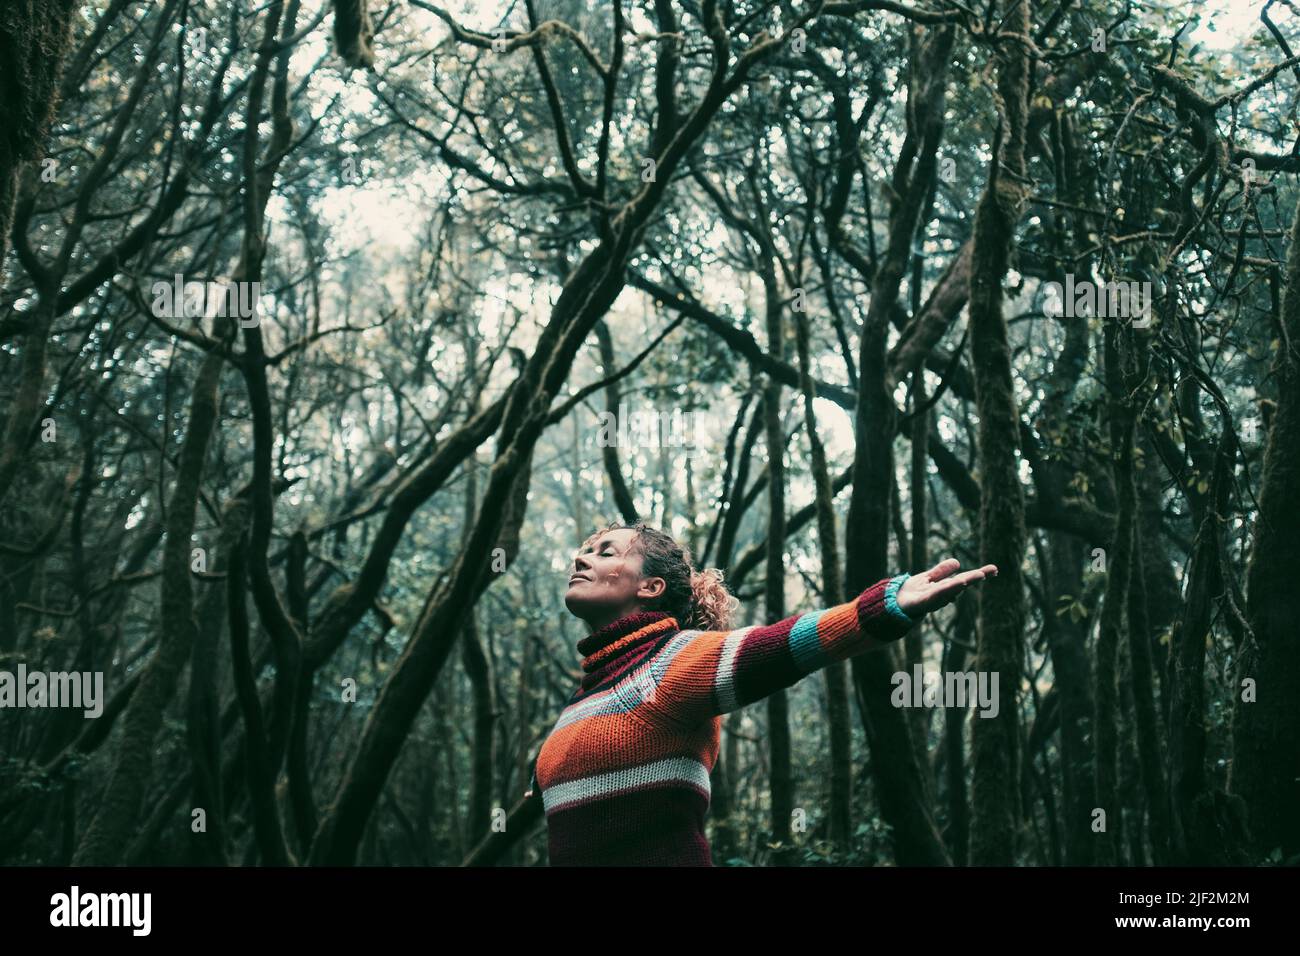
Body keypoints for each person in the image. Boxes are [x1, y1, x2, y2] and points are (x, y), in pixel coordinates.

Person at [530, 520, 997, 866]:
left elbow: (776, 648)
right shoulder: (580, 703)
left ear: (651, 587)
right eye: (586, 550)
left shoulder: (668, 664)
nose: (581, 558)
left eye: (605, 552)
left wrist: (878, 609)